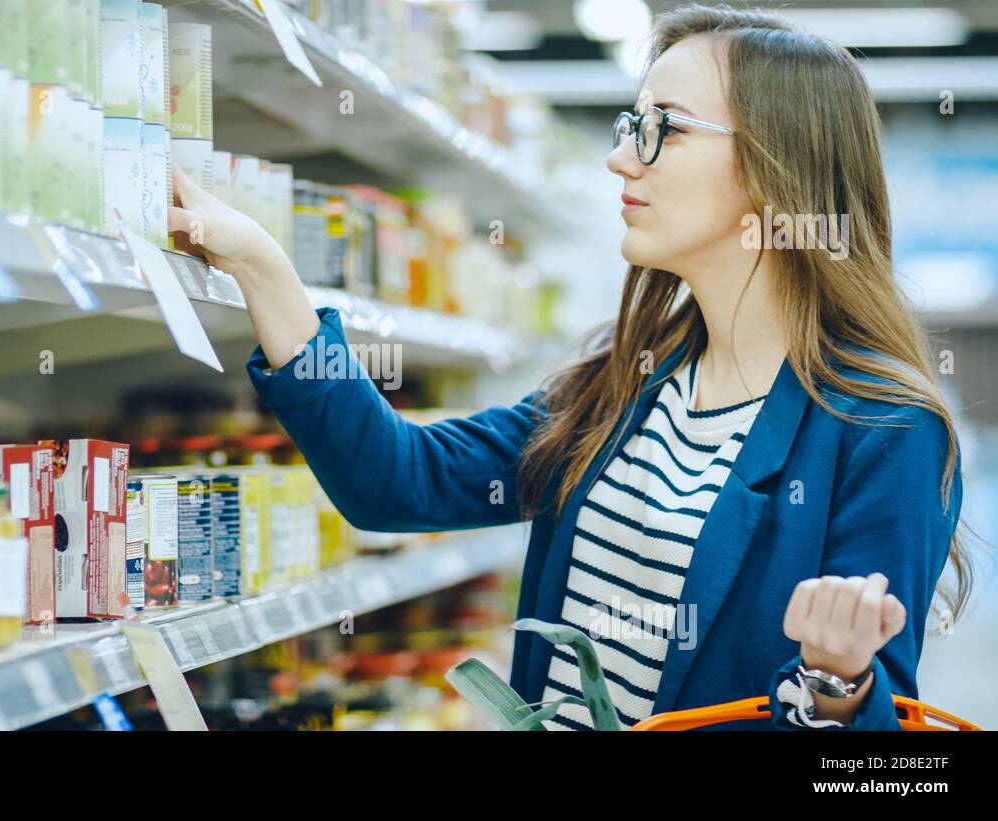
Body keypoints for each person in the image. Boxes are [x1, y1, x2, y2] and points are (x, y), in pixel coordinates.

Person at [166, 3, 973, 730]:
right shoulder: (622, 380)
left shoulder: (884, 431)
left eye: (664, 128)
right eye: (632, 124)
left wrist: (837, 682)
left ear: (775, 168)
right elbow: (395, 481)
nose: (624, 158)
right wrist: (264, 267)